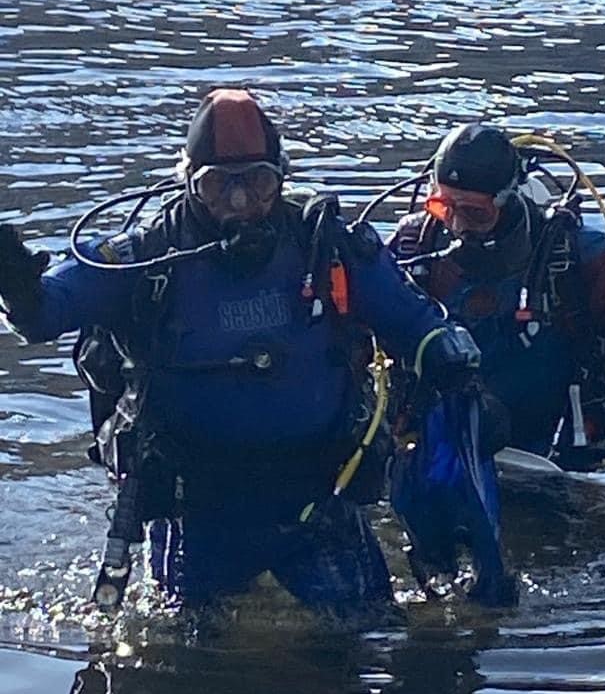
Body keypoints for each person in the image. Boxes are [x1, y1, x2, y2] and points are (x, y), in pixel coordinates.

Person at [0, 88, 482, 619]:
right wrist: (18, 285)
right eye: (217, 185)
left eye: (257, 182)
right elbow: (45, 315)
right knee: (184, 657)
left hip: (317, 500)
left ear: (282, 178)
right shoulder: (147, 258)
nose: (238, 202)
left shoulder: (325, 247)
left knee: (371, 639)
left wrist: (457, 370)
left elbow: (416, 324)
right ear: (188, 181)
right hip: (197, 509)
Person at [387, 122, 605, 590]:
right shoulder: (415, 250)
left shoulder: (575, 256)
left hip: (556, 438)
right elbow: (360, 333)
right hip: (450, 431)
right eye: (444, 208)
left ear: (507, 198)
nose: (458, 226)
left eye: (474, 213)